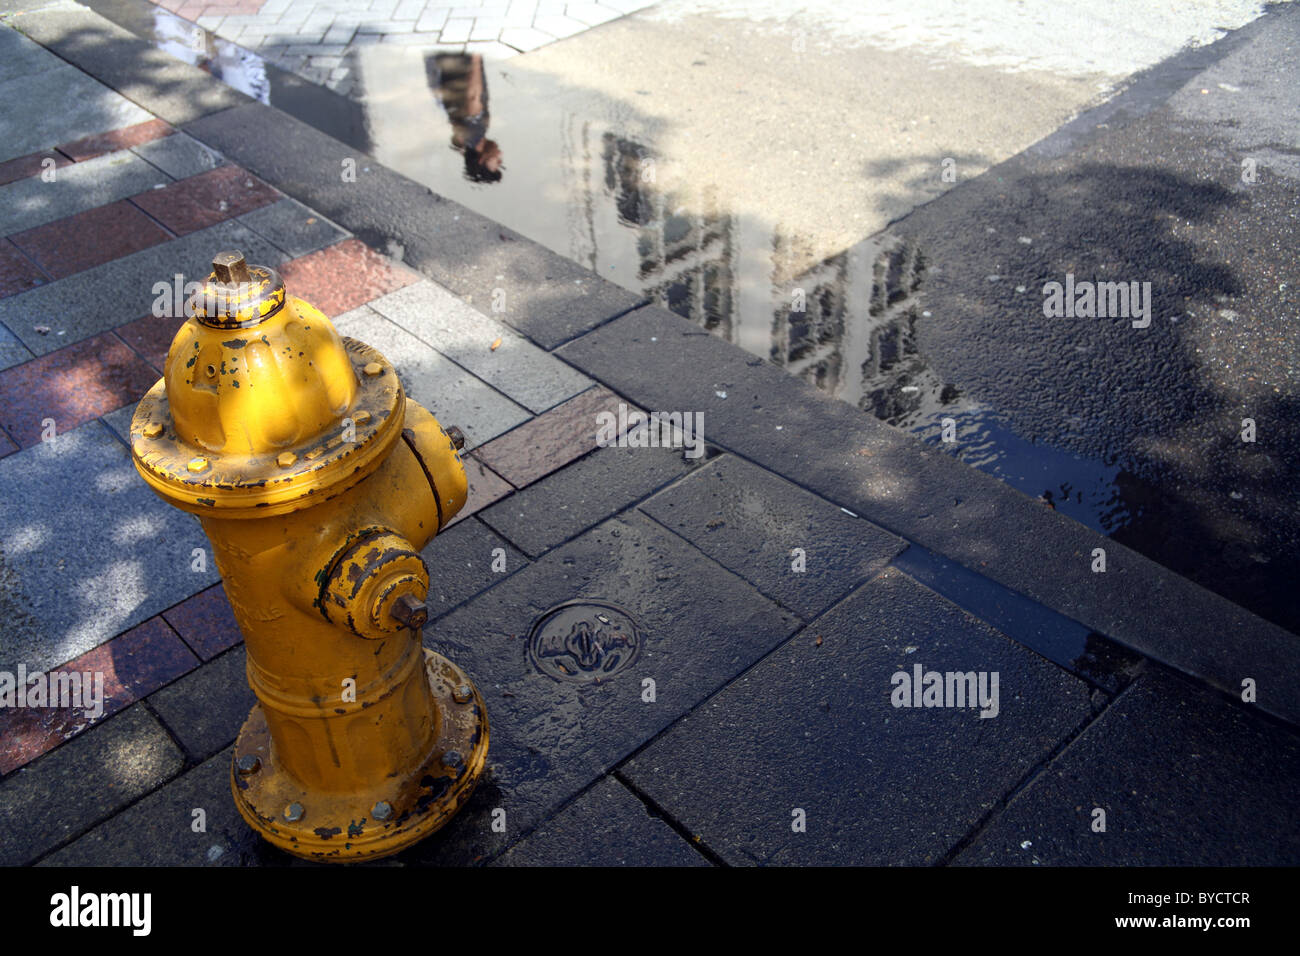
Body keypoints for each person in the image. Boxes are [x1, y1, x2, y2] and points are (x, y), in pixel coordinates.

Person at [426, 52, 504, 183]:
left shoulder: (477, 128)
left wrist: (476, 56)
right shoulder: (467, 137)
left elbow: (473, 95)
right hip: (444, 63)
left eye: (497, 162)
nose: (500, 157)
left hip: (459, 58)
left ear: (482, 160)